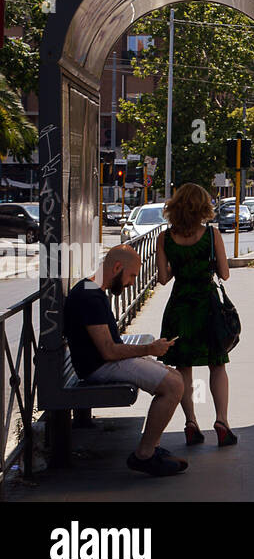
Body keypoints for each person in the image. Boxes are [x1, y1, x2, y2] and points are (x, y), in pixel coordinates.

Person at [62, 244, 187, 476]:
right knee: (174, 385)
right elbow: (109, 351)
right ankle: (145, 455)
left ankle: (152, 448)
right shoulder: (90, 297)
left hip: (101, 362)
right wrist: (150, 348)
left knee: (176, 377)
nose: (131, 282)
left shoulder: (91, 289)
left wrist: (149, 350)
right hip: (99, 367)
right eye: (131, 275)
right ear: (117, 267)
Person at [157, 183, 237, 448]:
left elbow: (163, 278)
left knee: (183, 367)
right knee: (217, 363)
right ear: (203, 206)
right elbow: (224, 273)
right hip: (208, 306)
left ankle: (191, 422)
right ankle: (222, 422)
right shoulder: (212, 235)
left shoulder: (165, 238)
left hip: (180, 307)